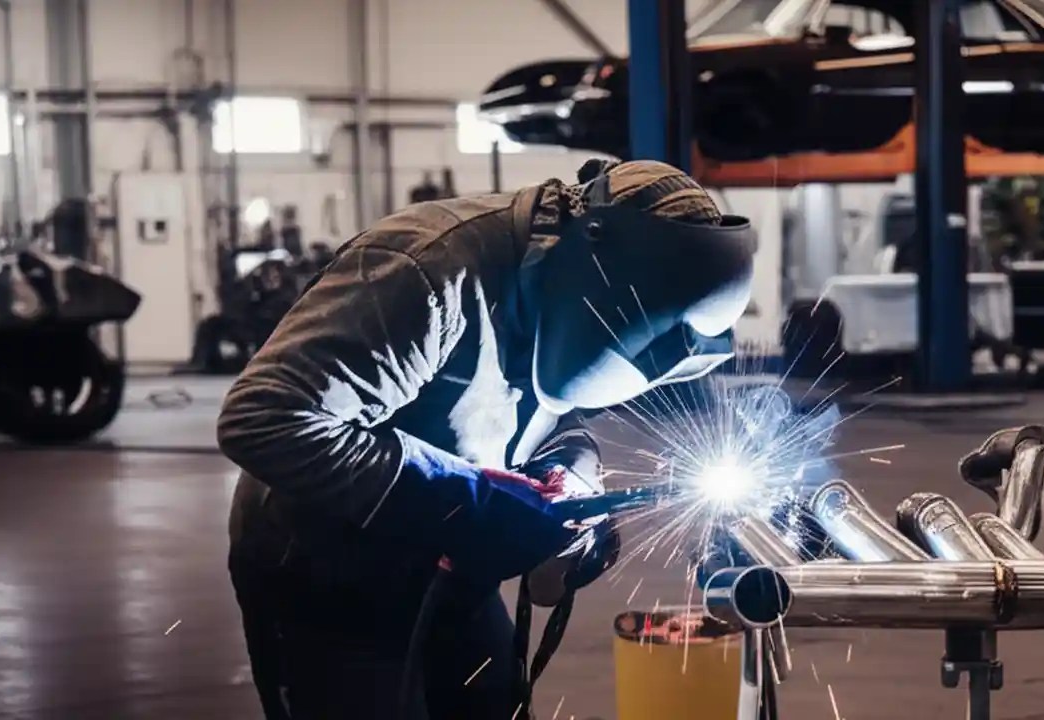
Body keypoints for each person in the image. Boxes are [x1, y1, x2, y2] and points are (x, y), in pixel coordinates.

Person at [217, 159, 757, 719]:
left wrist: (573, 472)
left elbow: (559, 407)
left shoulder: (582, 293)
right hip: (328, 574)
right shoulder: (427, 271)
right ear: (592, 266)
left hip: (450, 567)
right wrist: (462, 494)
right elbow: (263, 418)